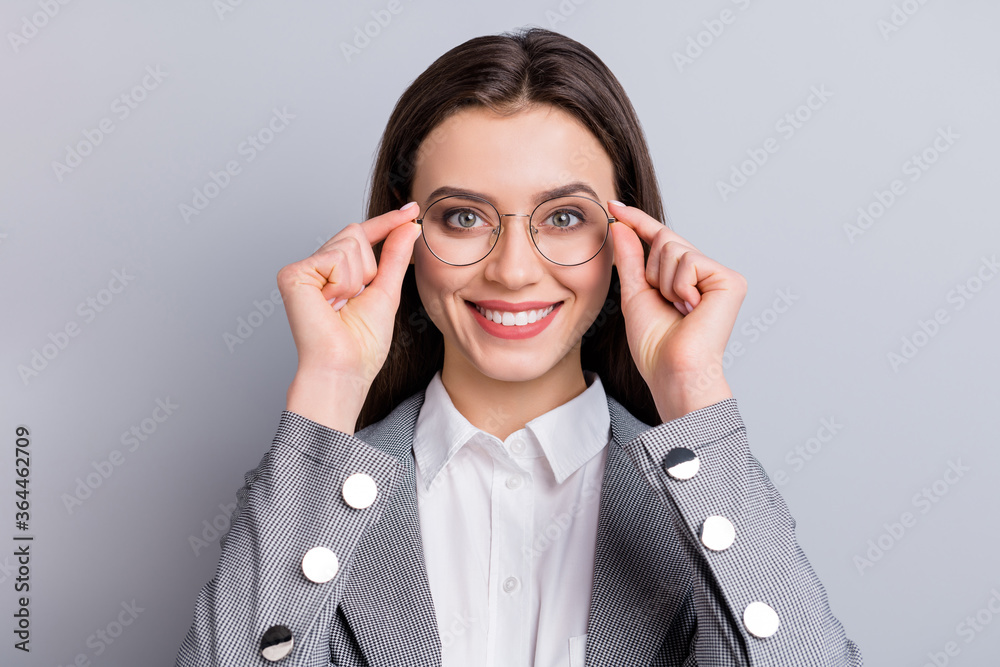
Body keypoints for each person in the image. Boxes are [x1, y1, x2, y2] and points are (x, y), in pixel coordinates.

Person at [176, 26, 863, 666]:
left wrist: (693, 389)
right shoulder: (311, 504)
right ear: (401, 235)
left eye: (564, 217)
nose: (512, 269)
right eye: (464, 216)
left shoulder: (712, 505)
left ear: (629, 236)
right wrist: (328, 386)